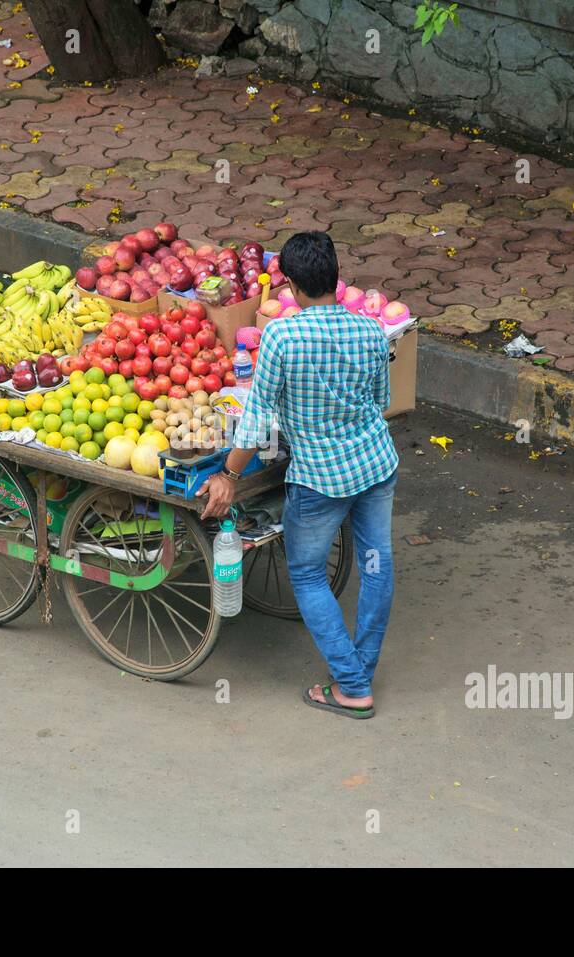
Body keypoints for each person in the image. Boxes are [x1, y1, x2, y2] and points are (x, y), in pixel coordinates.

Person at [197, 231, 399, 719]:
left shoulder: (282, 337)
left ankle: (352, 686)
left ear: (289, 285)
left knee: (306, 573)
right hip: (376, 463)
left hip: (320, 478)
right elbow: (380, 402)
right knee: (376, 565)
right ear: (335, 276)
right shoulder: (371, 331)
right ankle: (360, 671)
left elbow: (258, 418)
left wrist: (228, 473)